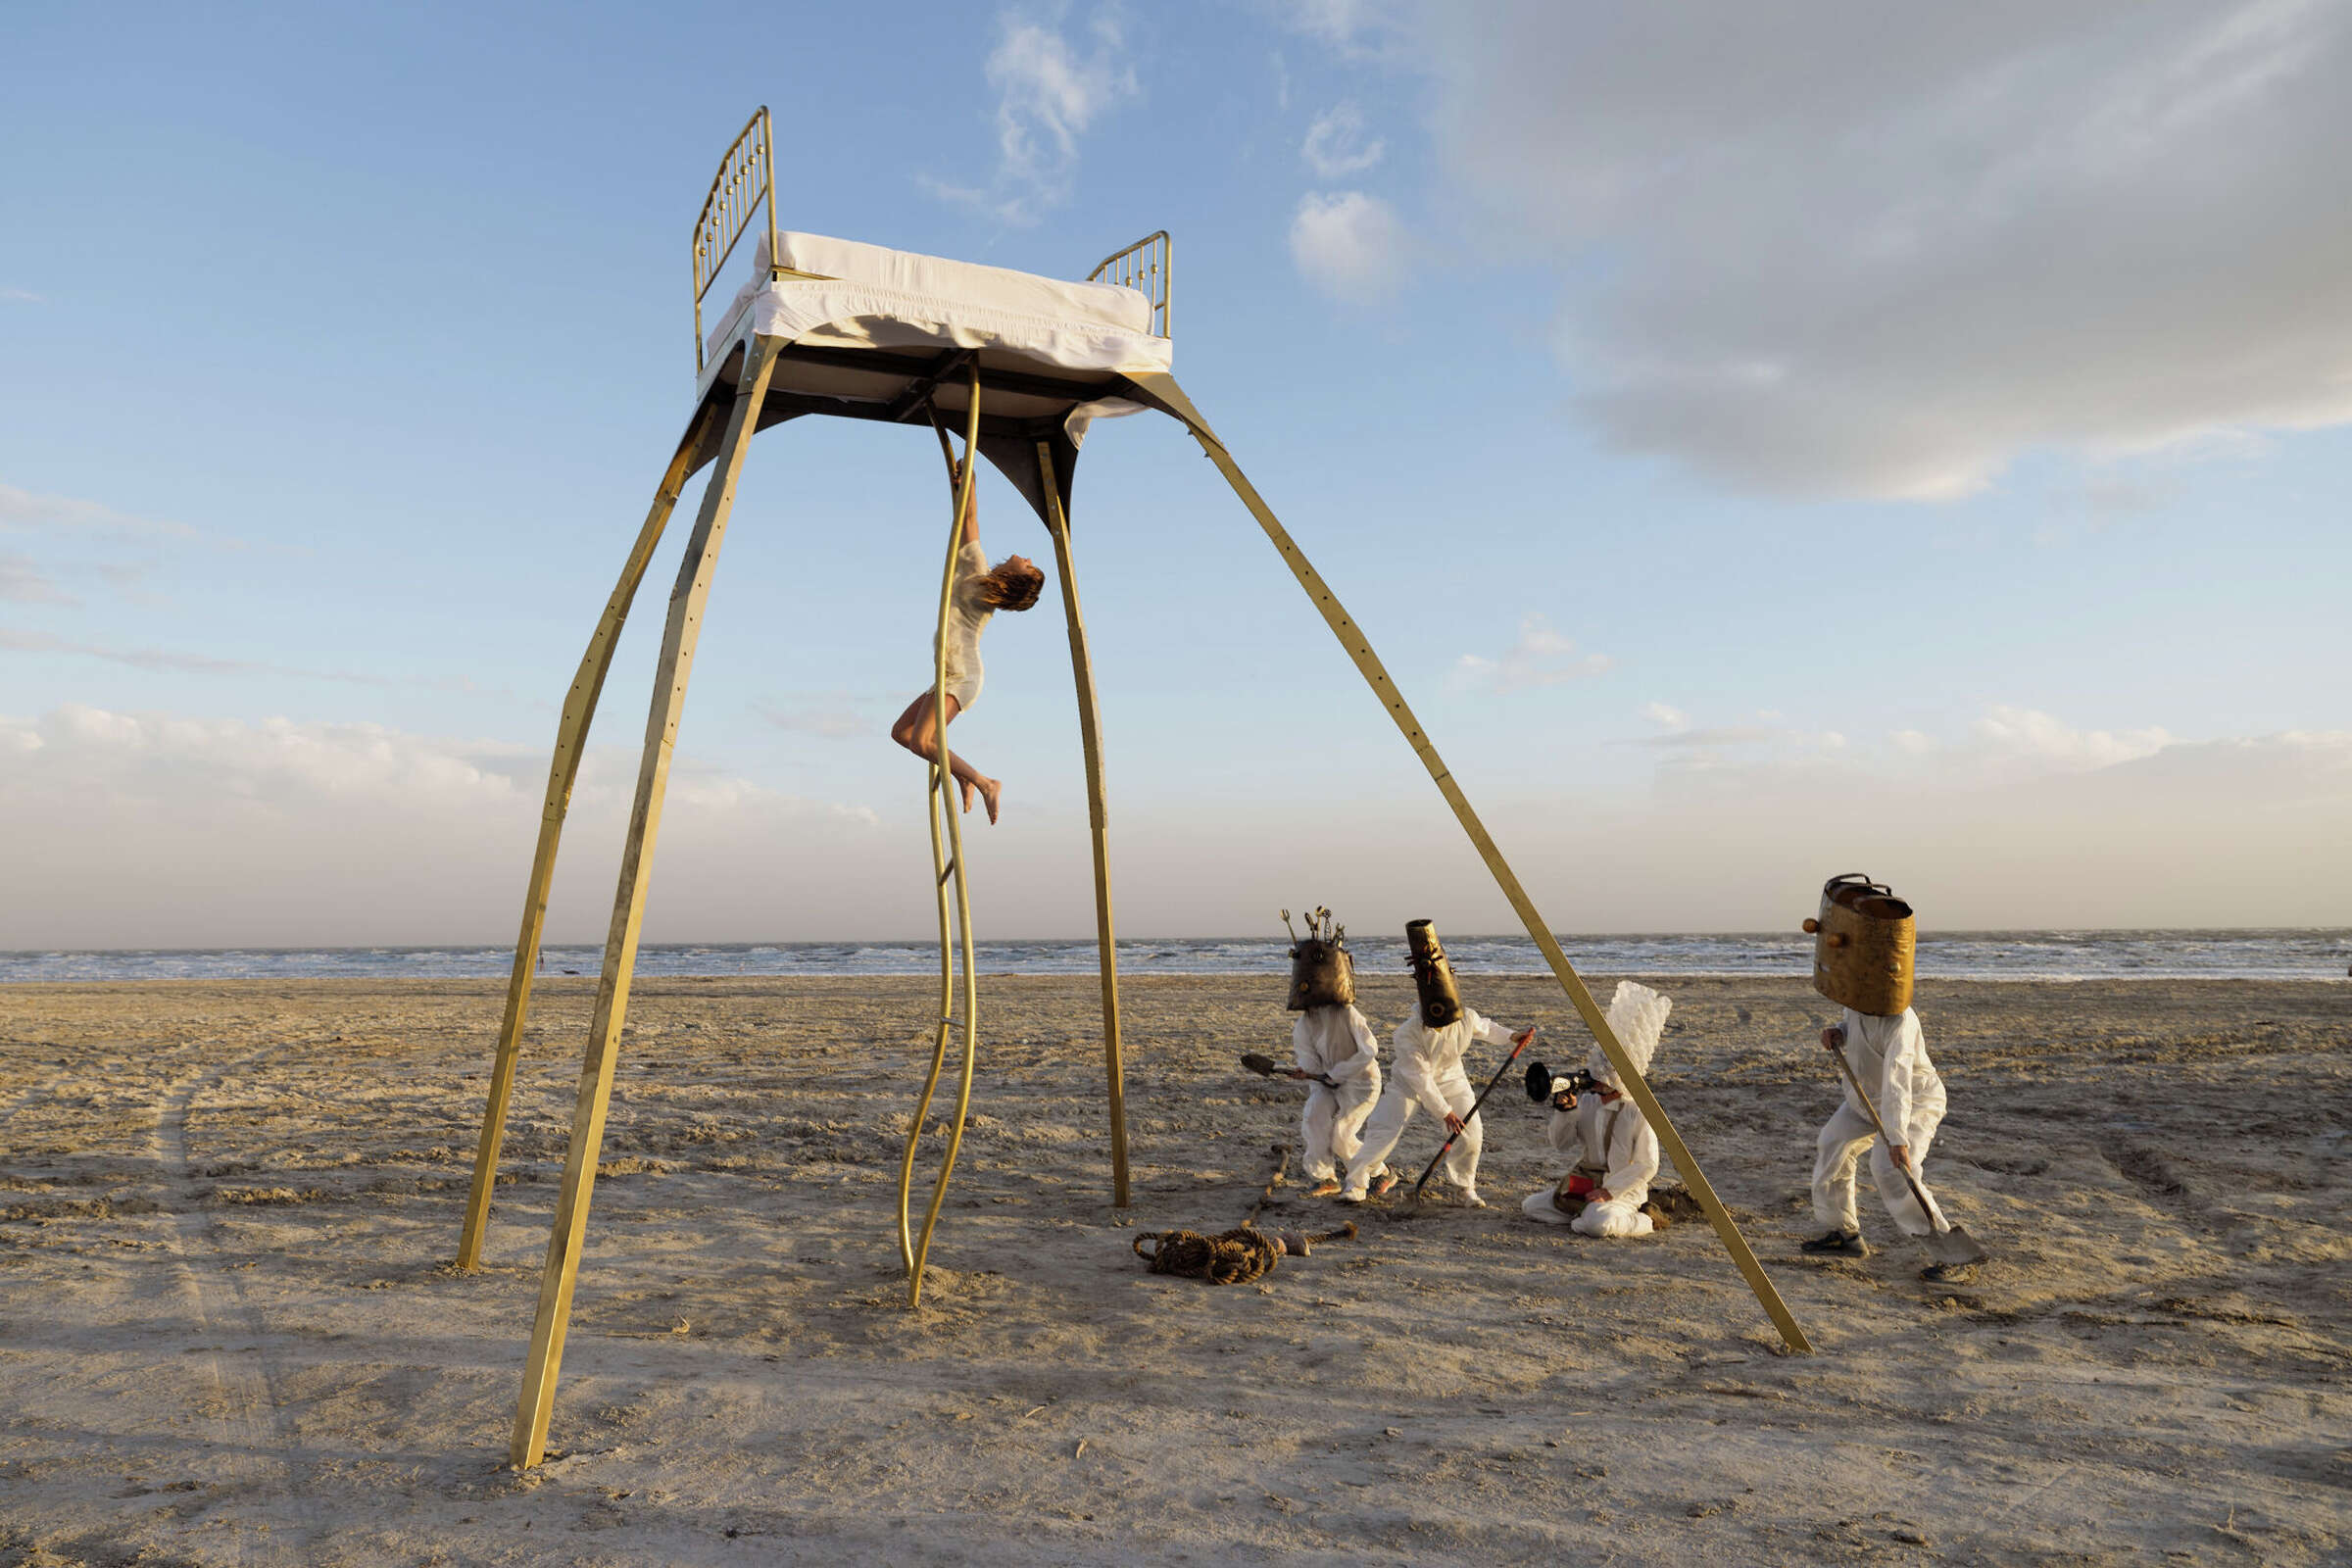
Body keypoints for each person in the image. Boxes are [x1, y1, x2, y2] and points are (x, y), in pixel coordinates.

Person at [888, 461, 1046, 823]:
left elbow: (969, 516)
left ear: (1014, 579)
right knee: (903, 733)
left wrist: (970, 480)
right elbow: (967, 517)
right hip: (949, 671)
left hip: (963, 675)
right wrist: (964, 486)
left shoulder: (978, 571)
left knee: (923, 742)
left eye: (1029, 566)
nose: (1027, 558)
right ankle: (964, 775)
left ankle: (985, 782)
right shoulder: (979, 578)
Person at [1339, 920, 1530, 1208]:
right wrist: (1445, 1112)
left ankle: (1464, 1188)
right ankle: (1356, 1183)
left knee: (1472, 1132)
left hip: (1452, 1080)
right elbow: (1421, 1079)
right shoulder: (1407, 1033)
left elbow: (1486, 1028)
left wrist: (1512, 1037)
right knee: (1382, 1133)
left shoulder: (1465, 1016)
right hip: (1409, 1086)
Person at [1520, 980, 1670, 1238]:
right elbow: (1560, 1143)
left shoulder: (1637, 1111)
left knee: (1598, 1224)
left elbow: (1648, 1165)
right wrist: (1565, 1113)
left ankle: (1646, 1218)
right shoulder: (1588, 1103)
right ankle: (1585, 1214)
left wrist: (1610, 1192)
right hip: (1586, 1183)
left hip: (1621, 1191)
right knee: (1531, 1206)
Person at [1802, 1005, 1949, 1261]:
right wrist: (1840, 1032)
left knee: (1890, 1170)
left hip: (1914, 1101)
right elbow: (1858, 1028)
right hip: (1869, 1098)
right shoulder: (1860, 998)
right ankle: (1845, 1233)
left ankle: (1950, 1253)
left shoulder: (1900, 1020)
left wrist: (1897, 1139)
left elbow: (1898, 1082)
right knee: (1833, 1142)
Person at [1276, 913, 1385, 1197]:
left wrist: (1337, 1073)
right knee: (1314, 1118)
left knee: (1342, 1137)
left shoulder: (1348, 1014)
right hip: (1326, 1082)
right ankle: (1325, 1178)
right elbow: (1311, 1062)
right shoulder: (1304, 1025)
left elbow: (1370, 1051)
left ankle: (1380, 1172)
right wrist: (1307, 1072)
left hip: (1361, 1083)